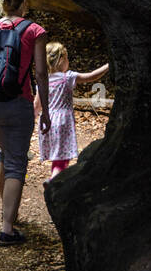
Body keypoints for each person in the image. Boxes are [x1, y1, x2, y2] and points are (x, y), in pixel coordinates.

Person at [0, 0, 49, 245]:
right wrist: (46, 111)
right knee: (17, 161)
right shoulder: (35, 31)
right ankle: (7, 229)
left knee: (4, 153)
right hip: (17, 105)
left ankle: (7, 212)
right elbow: (40, 73)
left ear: (3, 2)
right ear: (24, 2)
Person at [34, 42, 109, 177]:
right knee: (63, 158)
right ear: (61, 59)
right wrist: (108, 66)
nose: (68, 61)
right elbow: (92, 76)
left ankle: (53, 179)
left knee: (58, 156)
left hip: (47, 122)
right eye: (67, 58)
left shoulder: (43, 81)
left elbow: (36, 106)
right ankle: (53, 181)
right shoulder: (68, 77)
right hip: (63, 122)